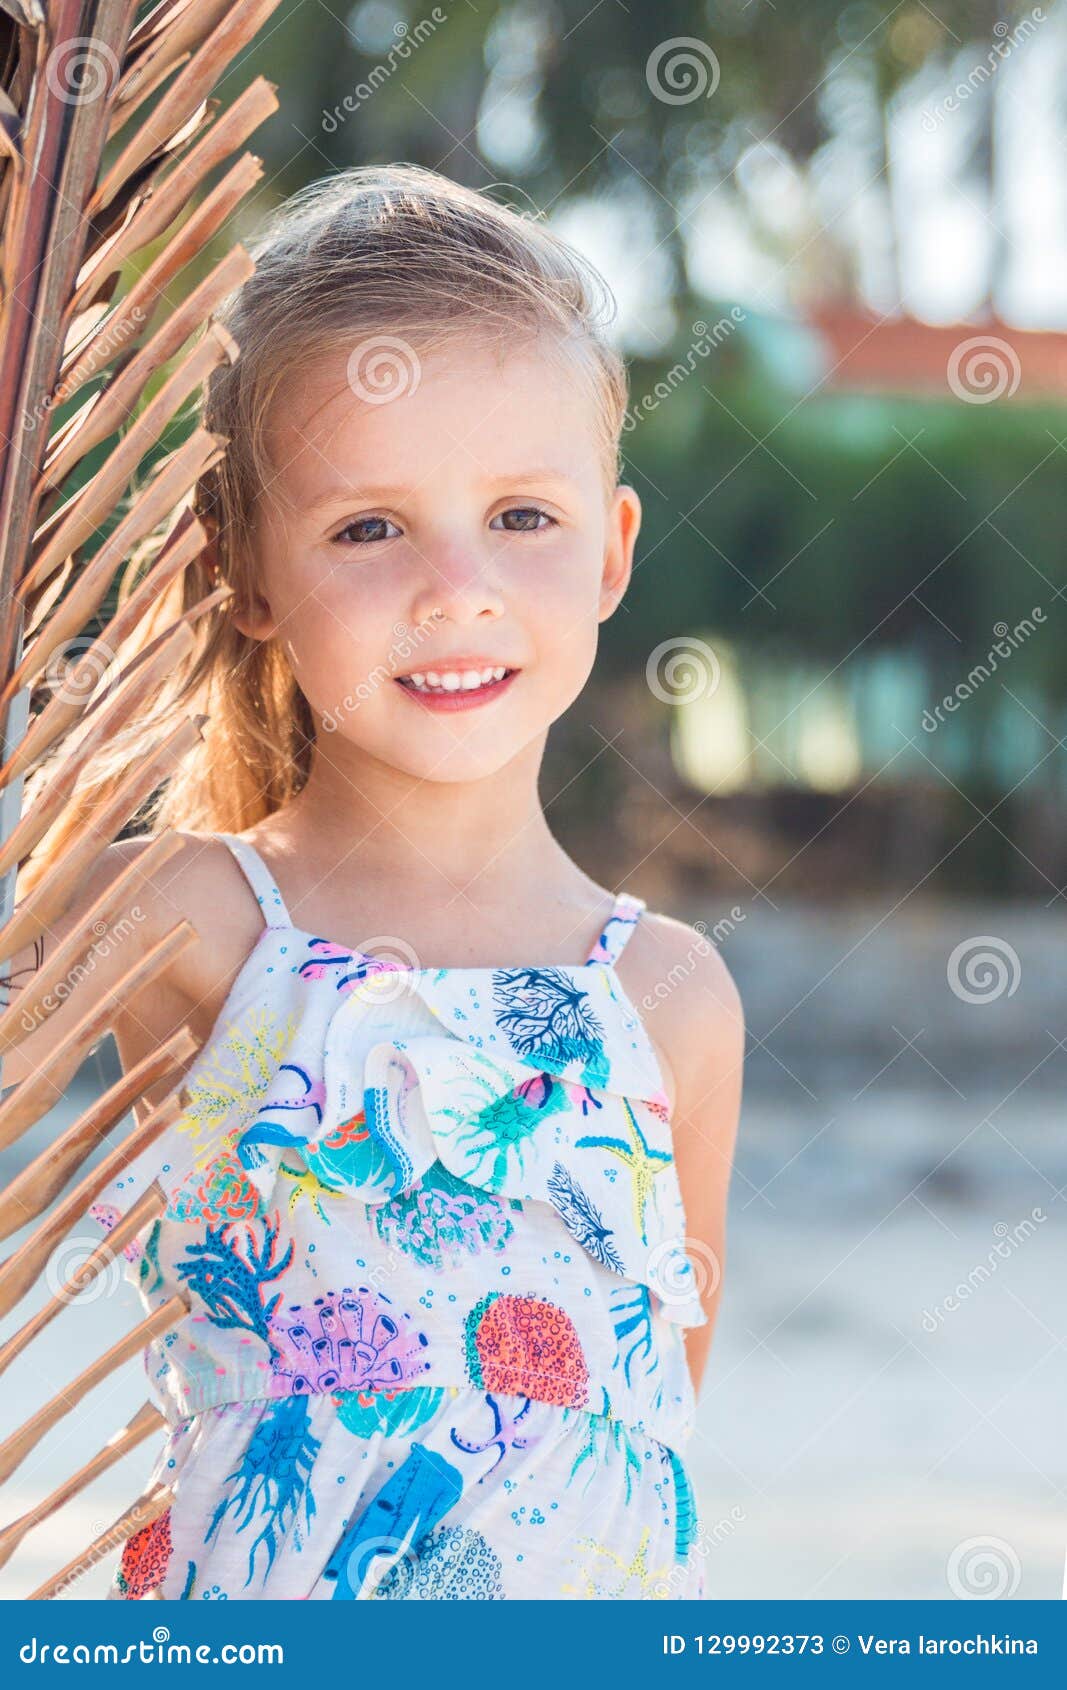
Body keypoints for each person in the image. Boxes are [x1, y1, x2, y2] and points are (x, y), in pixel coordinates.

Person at [5, 165, 745, 1600]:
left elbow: (653, 1423)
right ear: (246, 575)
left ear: (614, 547)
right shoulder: (185, 918)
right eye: (367, 527)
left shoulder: (673, 999)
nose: (455, 585)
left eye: (523, 515)